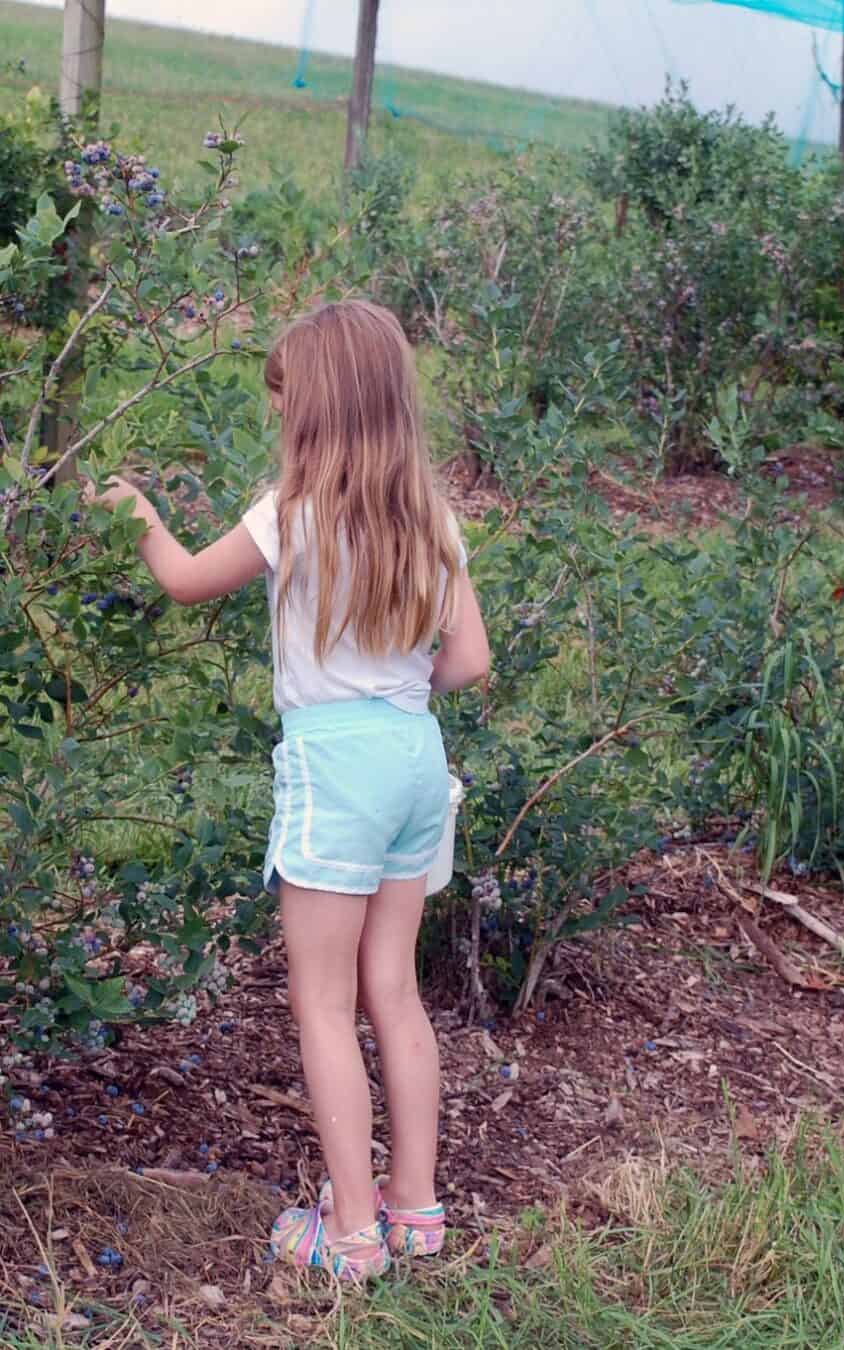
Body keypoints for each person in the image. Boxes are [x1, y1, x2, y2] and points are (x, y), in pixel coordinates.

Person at [93, 300, 491, 1280]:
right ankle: (415, 1211)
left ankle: (351, 1237)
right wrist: (399, 695)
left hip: (335, 764)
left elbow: (186, 581)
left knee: (321, 1003)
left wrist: (139, 516)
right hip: (414, 755)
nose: (282, 424)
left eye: (288, 405)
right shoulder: (432, 517)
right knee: (392, 990)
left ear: (316, 410)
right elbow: (471, 659)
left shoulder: (295, 512)